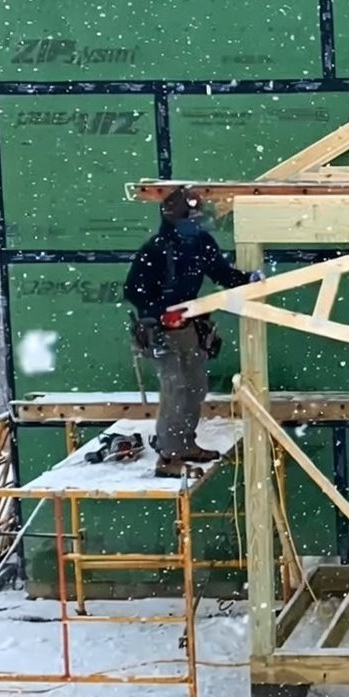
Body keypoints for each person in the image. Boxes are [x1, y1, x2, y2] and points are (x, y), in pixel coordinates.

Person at [124, 186, 263, 478]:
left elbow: (222, 273)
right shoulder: (155, 249)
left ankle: (185, 443)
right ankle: (168, 456)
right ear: (175, 218)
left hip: (189, 325)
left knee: (194, 386)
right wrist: (161, 311)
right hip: (161, 329)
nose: (197, 223)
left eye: (199, 218)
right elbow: (134, 291)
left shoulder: (201, 243)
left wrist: (246, 280)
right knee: (175, 388)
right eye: (192, 217)